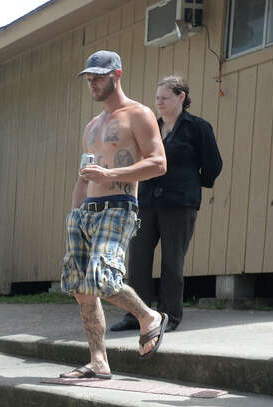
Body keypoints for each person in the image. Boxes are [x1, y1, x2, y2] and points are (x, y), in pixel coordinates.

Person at [59, 51, 168, 380]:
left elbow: (159, 162)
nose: (91, 81)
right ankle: (98, 360)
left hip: (120, 204)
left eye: (98, 76)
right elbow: (84, 174)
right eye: (88, 77)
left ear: (116, 75)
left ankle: (149, 316)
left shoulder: (139, 114)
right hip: (86, 213)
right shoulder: (93, 125)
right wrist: (74, 215)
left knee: (103, 279)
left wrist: (110, 175)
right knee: (82, 288)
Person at [110, 75, 222, 334]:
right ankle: (135, 314)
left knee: (173, 261)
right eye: (157, 98)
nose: (158, 102)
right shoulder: (150, 126)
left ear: (181, 97)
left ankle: (168, 315)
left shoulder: (198, 128)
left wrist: (191, 184)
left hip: (180, 204)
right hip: (146, 202)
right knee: (138, 258)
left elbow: (213, 165)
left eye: (164, 98)